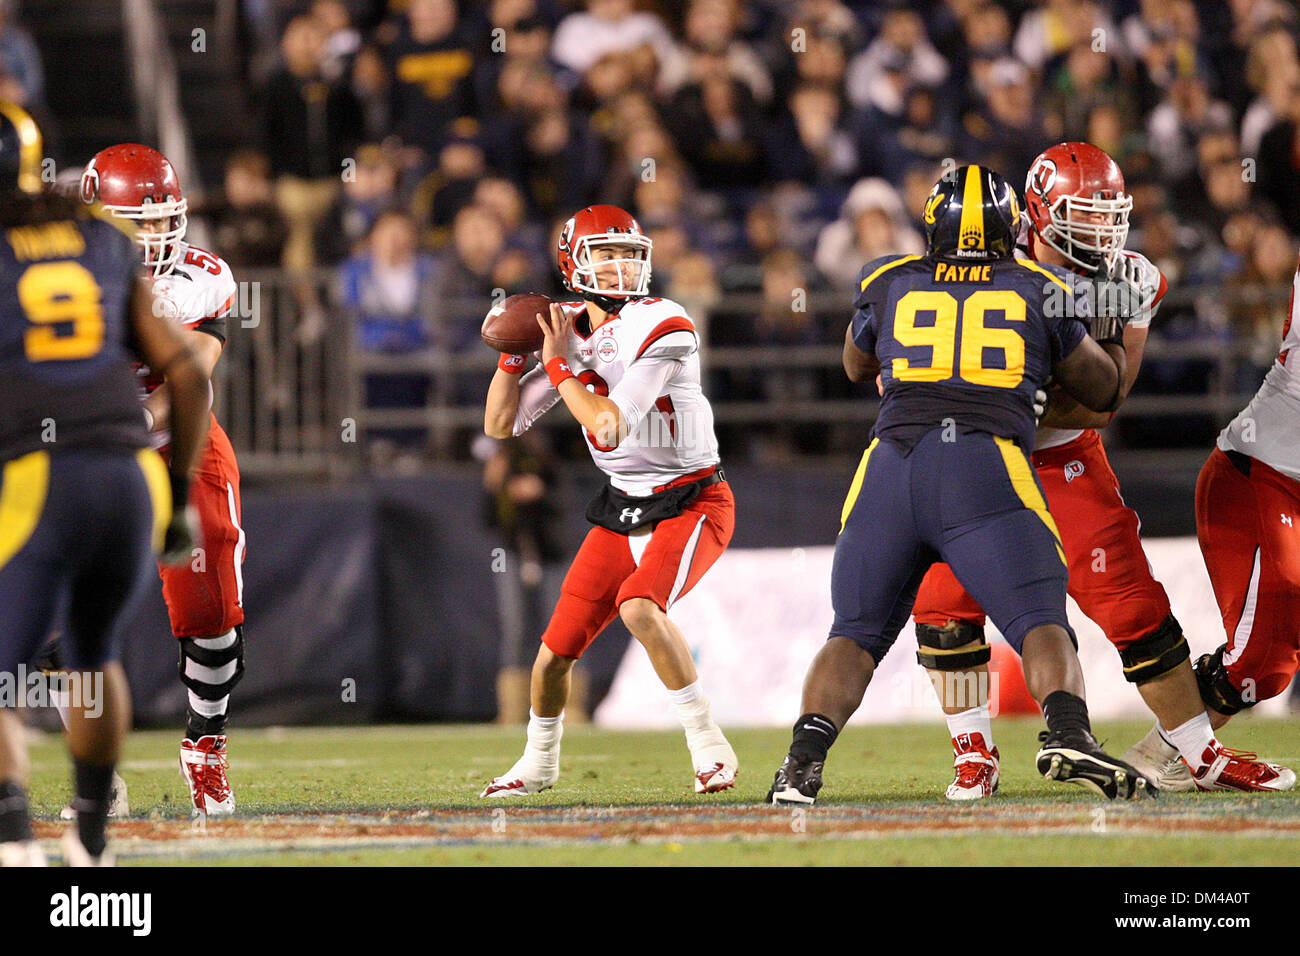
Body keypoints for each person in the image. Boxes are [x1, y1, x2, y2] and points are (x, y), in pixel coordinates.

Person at [910, 143, 1292, 798]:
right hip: (972, 452)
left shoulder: (1129, 277)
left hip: (1064, 453)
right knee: (944, 606)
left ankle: (1196, 752)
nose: (1100, 231)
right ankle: (973, 750)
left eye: (1107, 215)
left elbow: (1105, 401)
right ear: (1039, 212)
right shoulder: (985, 261)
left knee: (1134, 604)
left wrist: (1031, 383)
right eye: (1083, 217)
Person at [768, 164, 1151, 806]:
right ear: (1013, 230)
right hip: (984, 466)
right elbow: (1103, 389)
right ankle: (1067, 731)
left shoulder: (888, 278)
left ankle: (801, 765)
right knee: (1038, 621)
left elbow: (856, 364)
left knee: (854, 633)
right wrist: (1105, 326)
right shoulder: (1041, 285)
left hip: (890, 467)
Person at [0, 103, 209, 866]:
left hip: (32, 476)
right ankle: (92, 839)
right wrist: (177, 495)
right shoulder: (100, 238)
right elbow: (186, 373)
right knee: (92, 657)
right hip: (127, 474)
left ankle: (13, 842)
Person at [481, 204, 737, 796]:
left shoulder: (663, 320)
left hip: (693, 499)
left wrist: (555, 364)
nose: (621, 267)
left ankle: (708, 746)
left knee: (640, 608)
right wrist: (513, 358)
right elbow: (500, 423)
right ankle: (538, 762)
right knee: (552, 655)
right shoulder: (564, 329)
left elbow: (608, 428)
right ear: (574, 263)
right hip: (625, 504)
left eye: (629, 254)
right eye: (607, 254)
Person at [77, 144, 247, 817]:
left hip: (180, 437)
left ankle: (205, 743)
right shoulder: (53, 273)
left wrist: (128, 420)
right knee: (66, 627)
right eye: (135, 222)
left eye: (162, 221)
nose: (154, 236)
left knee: (210, 616)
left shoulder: (199, 278)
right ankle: (97, 777)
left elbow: (193, 377)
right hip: (80, 447)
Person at [1180, 244, 1300, 784]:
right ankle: (1169, 757)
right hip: (1260, 476)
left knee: (1269, 667)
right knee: (1260, 663)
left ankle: (1167, 755)